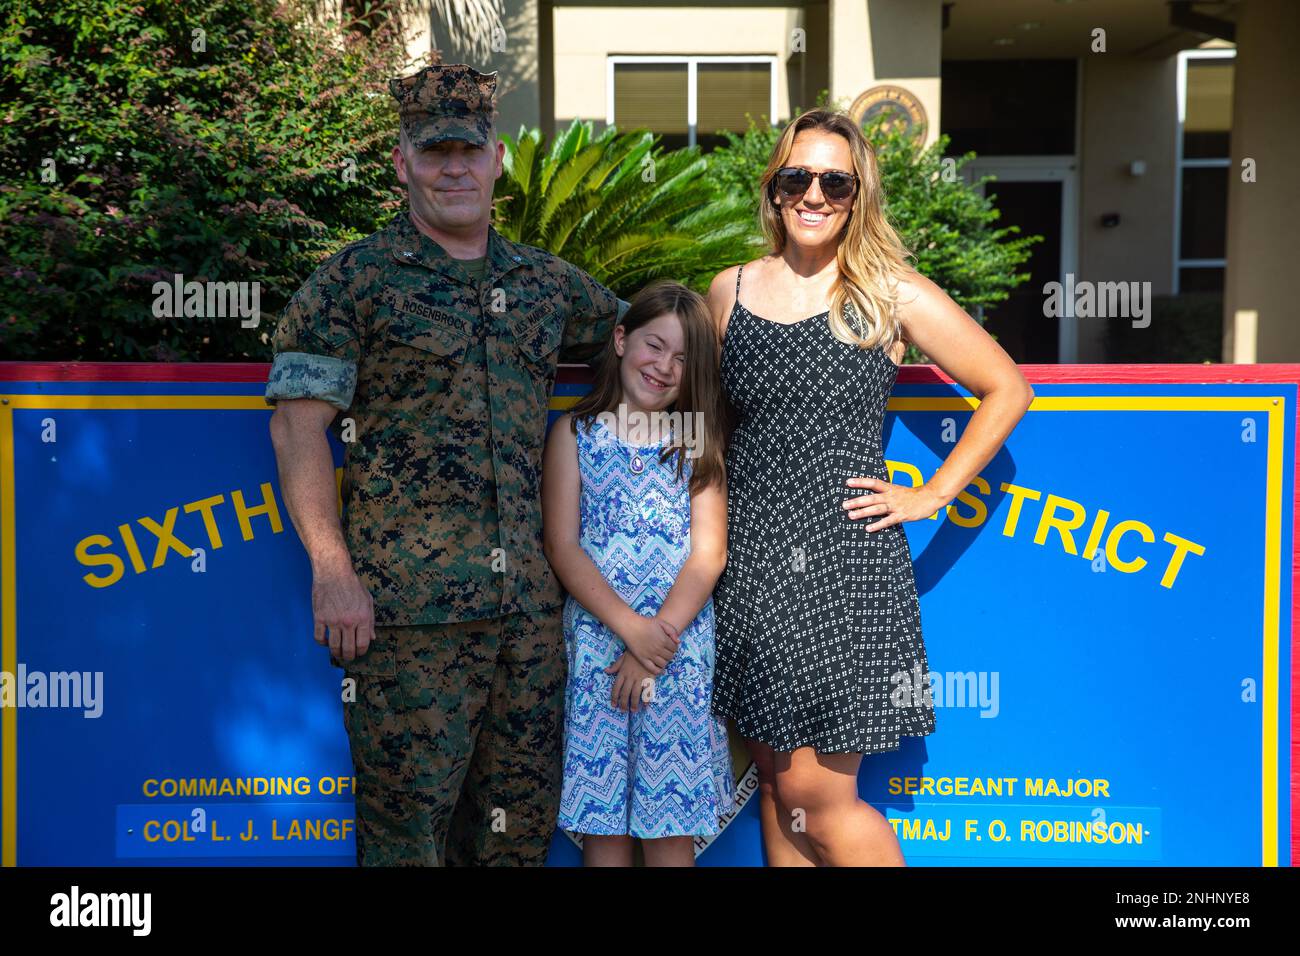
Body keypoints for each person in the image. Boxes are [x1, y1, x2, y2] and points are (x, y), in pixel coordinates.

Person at [264, 62, 629, 867]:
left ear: (499, 157)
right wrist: (332, 570)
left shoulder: (546, 286)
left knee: (513, 841)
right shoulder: (353, 283)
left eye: (470, 150)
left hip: (527, 623)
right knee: (408, 844)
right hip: (404, 619)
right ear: (402, 163)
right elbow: (297, 428)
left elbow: (661, 339)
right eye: (434, 153)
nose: (454, 168)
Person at [706, 108, 1034, 866]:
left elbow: (1006, 387)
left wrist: (931, 494)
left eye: (834, 181)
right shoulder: (729, 291)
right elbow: (712, 429)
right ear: (774, 189)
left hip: (845, 572)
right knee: (776, 792)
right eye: (797, 177)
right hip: (750, 571)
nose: (813, 194)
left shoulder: (891, 293)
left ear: (858, 195)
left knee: (822, 804)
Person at [541, 280, 735, 866]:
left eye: (682, 359)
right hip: (600, 645)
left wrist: (656, 642)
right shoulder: (575, 434)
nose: (664, 366)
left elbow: (709, 554)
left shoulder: (696, 440)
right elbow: (563, 546)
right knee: (605, 828)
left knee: (669, 827)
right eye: (654, 346)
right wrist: (631, 630)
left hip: (678, 650)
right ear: (622, 340)